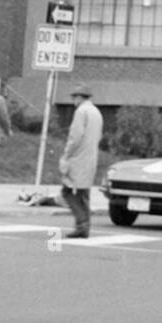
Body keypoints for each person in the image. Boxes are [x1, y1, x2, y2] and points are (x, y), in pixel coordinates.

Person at [59, 84, 103, 239]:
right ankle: (85, 226)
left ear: (79, 97)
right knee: (84, 194)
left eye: (74, 97)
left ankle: (81, 224)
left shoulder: (81, 112)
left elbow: (75, 137)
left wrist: (66, 155)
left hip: (78, 157)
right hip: (91, 156)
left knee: (67, 192)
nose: (73, 100)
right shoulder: (96, 112)